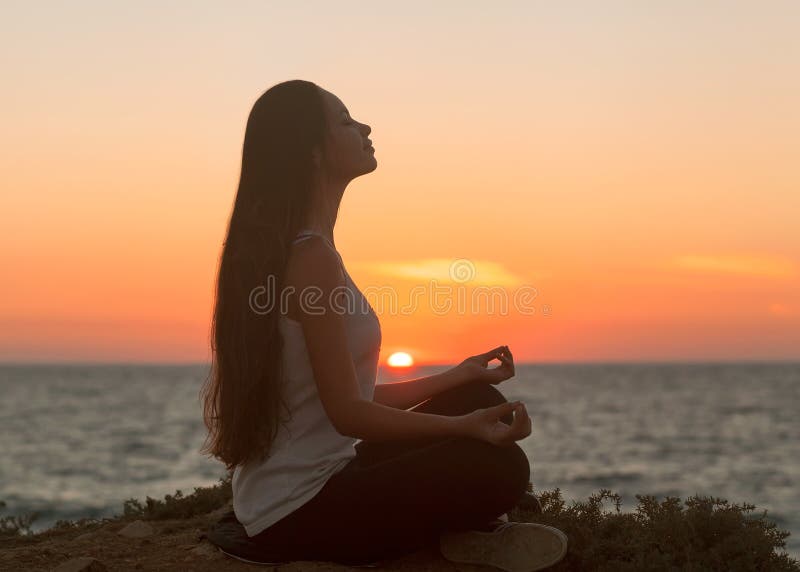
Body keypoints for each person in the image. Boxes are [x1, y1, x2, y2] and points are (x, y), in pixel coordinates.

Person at [201, 79, 567, 570]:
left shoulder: (311, 251)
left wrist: (460, 376)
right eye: (347, 121)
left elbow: (353, 395)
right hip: (297, 511)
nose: (365, 127)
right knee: (499, 464)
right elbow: (348, 415)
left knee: (482, 403)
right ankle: (458, 540)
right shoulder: (311, 260)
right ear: (313, 153)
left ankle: (466, 535)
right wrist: (461, 429)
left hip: (317, 483)